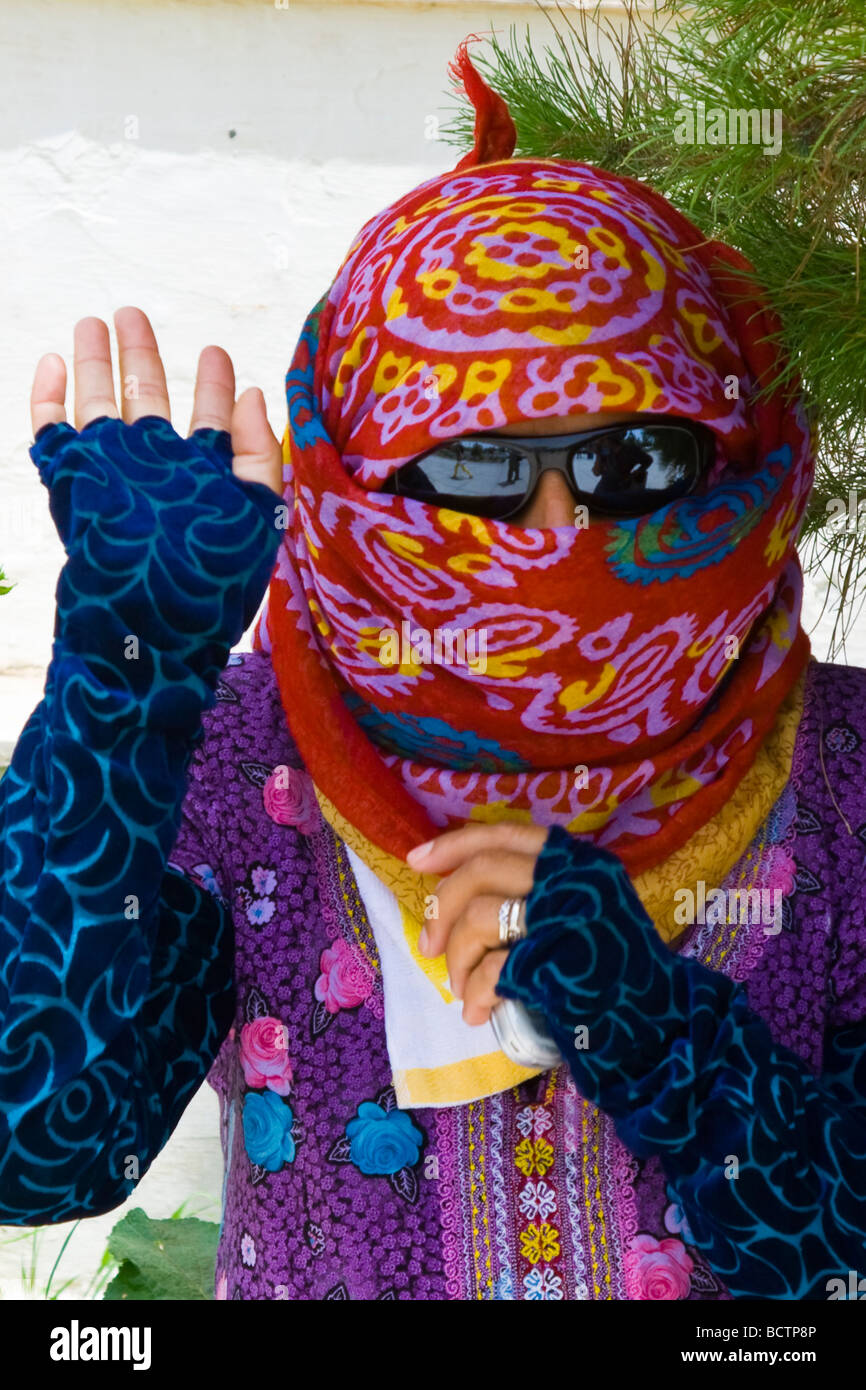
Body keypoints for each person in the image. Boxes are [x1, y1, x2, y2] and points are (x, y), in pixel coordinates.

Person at [1, 46, 865, 1303]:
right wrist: (124, 670)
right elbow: (43, 1144)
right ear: (359, 481)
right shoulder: (249, 759)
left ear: (731, 452)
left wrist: (641, 1015)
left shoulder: (838, 765)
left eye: (632, 464)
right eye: (476, 474)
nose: (560, 535)